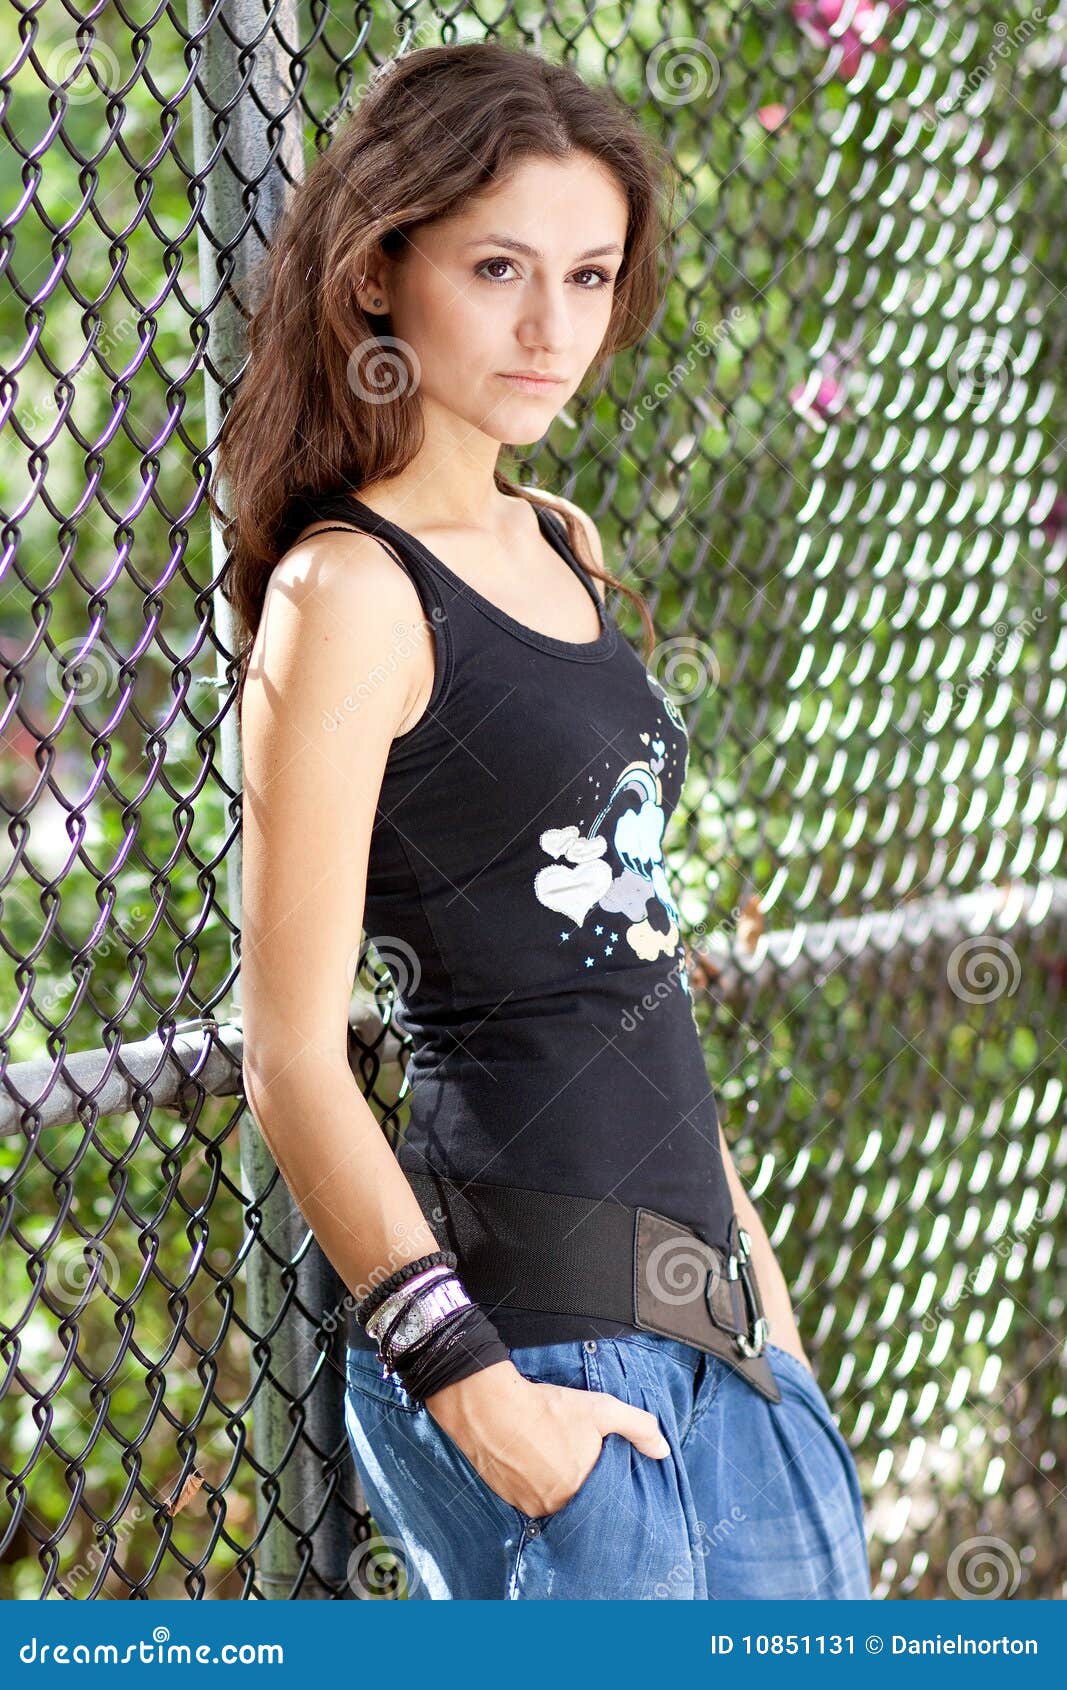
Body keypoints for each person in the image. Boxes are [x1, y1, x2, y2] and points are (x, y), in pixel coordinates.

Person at [219, 40, 872, 1601]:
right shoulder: (349, 593)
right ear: (380, 274)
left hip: (726, 1341)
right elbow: (293, 1057)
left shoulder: (559, 542)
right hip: (542, 1350)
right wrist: (484, 1400)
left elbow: (624, 952)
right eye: (498, 266)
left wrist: (773, 1327)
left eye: (588, 275)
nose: (549, 327)